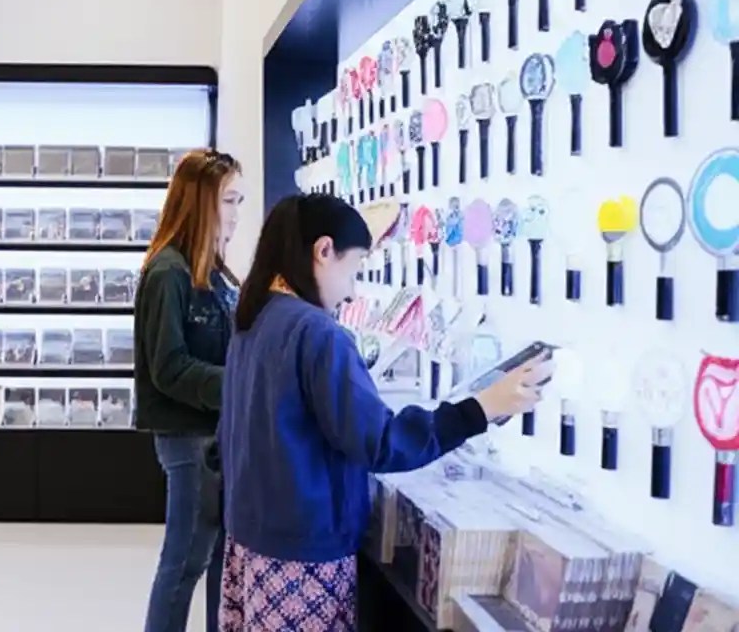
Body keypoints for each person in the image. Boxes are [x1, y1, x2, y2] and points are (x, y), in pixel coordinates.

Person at [217, 193, 549, 631]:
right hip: (303, 558)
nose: (353, 289)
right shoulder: (316, 333)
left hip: (253, 543)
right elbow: (380, 442)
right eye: (354, 268)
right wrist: (480, 409)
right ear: (323, 251)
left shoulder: (254, 318)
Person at [136, 148, 244, 632]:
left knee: (220, 562)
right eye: (230, 200)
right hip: (189, 439)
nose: (237, 214)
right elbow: (169, 367)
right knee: (184, 563)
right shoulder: (168, 273)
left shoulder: (214, 272)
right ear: (200, 201)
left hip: (219, 436)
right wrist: (243, 385)